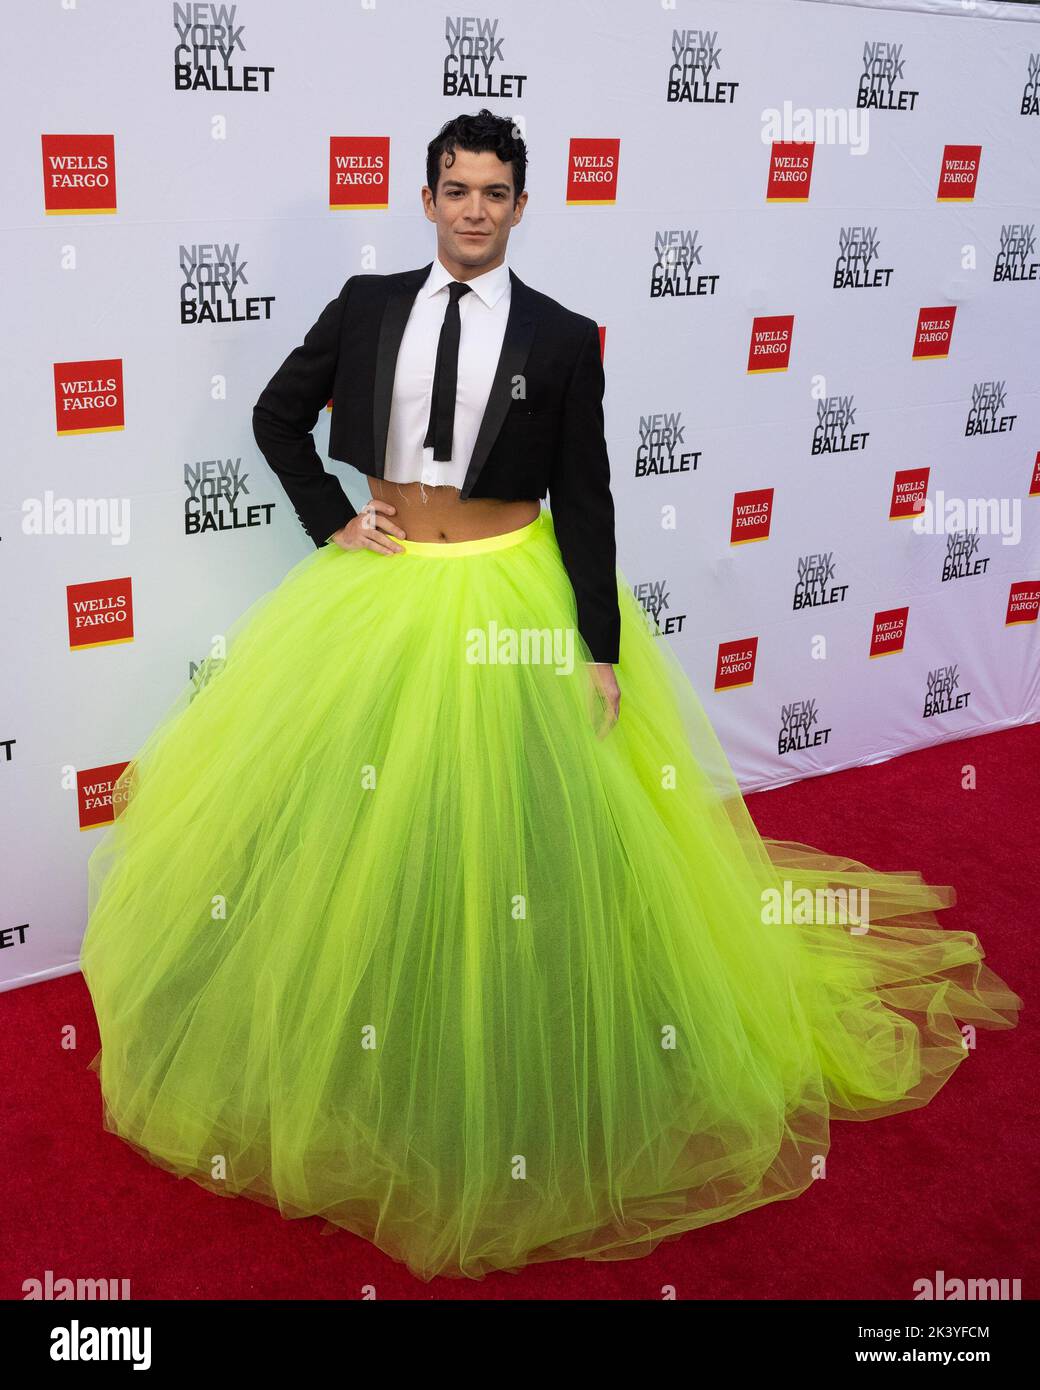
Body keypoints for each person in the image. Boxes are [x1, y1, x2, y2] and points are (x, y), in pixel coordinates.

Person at [81, 110, 1022, 1283]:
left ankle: (527, 1046)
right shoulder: (366, 306)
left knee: (514, 832)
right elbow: (275, 417)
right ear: (427, 199)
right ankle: (372, 1029)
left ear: (522, 206)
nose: (472, 209)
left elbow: (586, 496)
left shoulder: (565, 337)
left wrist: (597, 644)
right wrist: (332, 518)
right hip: (383, 592)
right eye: (454, 188)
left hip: (508, 596)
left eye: (493, 192)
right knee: (366, 825)